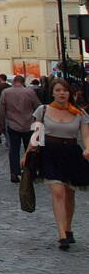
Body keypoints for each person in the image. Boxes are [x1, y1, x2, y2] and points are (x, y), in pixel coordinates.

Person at [23, 78, 89, 250]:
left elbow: (86, 135)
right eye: (58, 90)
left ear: (70, 93)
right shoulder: (42, 110)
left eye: (65, 90)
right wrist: (28, 153)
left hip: (71, 154)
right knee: (58, 192)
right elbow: (36, 135)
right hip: (50, 154)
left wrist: (88, 149)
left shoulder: (79, 113)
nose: (62, 93)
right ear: (52, 92)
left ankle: (68, 227)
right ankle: (61, 234)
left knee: (69, 194)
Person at [0, 75, 41, 184]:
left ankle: (14, 172)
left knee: (14, 150)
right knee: (30, 149)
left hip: (13, 124)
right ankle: (30, 172)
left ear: (14, 81)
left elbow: (1, 111)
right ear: (23, 82)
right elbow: (38, 106)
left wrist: (1, 125)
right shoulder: (30, 92)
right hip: (28, 124)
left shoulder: (6, 92)